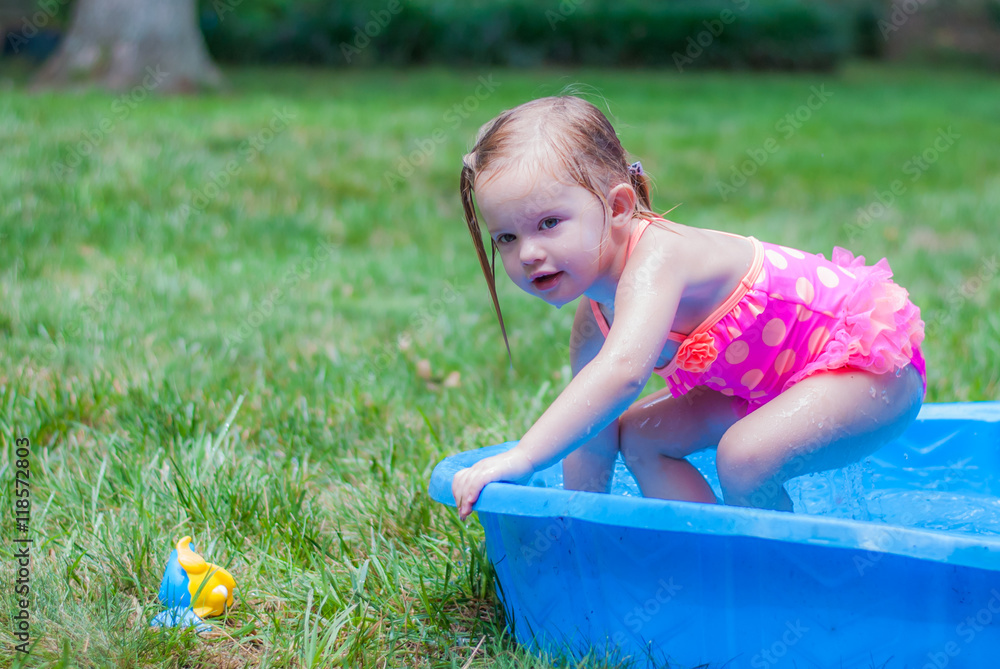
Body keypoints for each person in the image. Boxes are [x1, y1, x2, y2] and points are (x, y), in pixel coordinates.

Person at [451, 95, 925, 520]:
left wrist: (526, 455)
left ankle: (780, 576)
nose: (527, 253)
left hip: (869, 368)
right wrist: (575, 528)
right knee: (642, 438)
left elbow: (621, 375)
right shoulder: (594, 313)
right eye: (506, 238)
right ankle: (704, 559)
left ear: (618, 207)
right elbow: (594, 428)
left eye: (549, 222)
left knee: (744, 457)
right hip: (776, 382)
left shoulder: (660, 256)